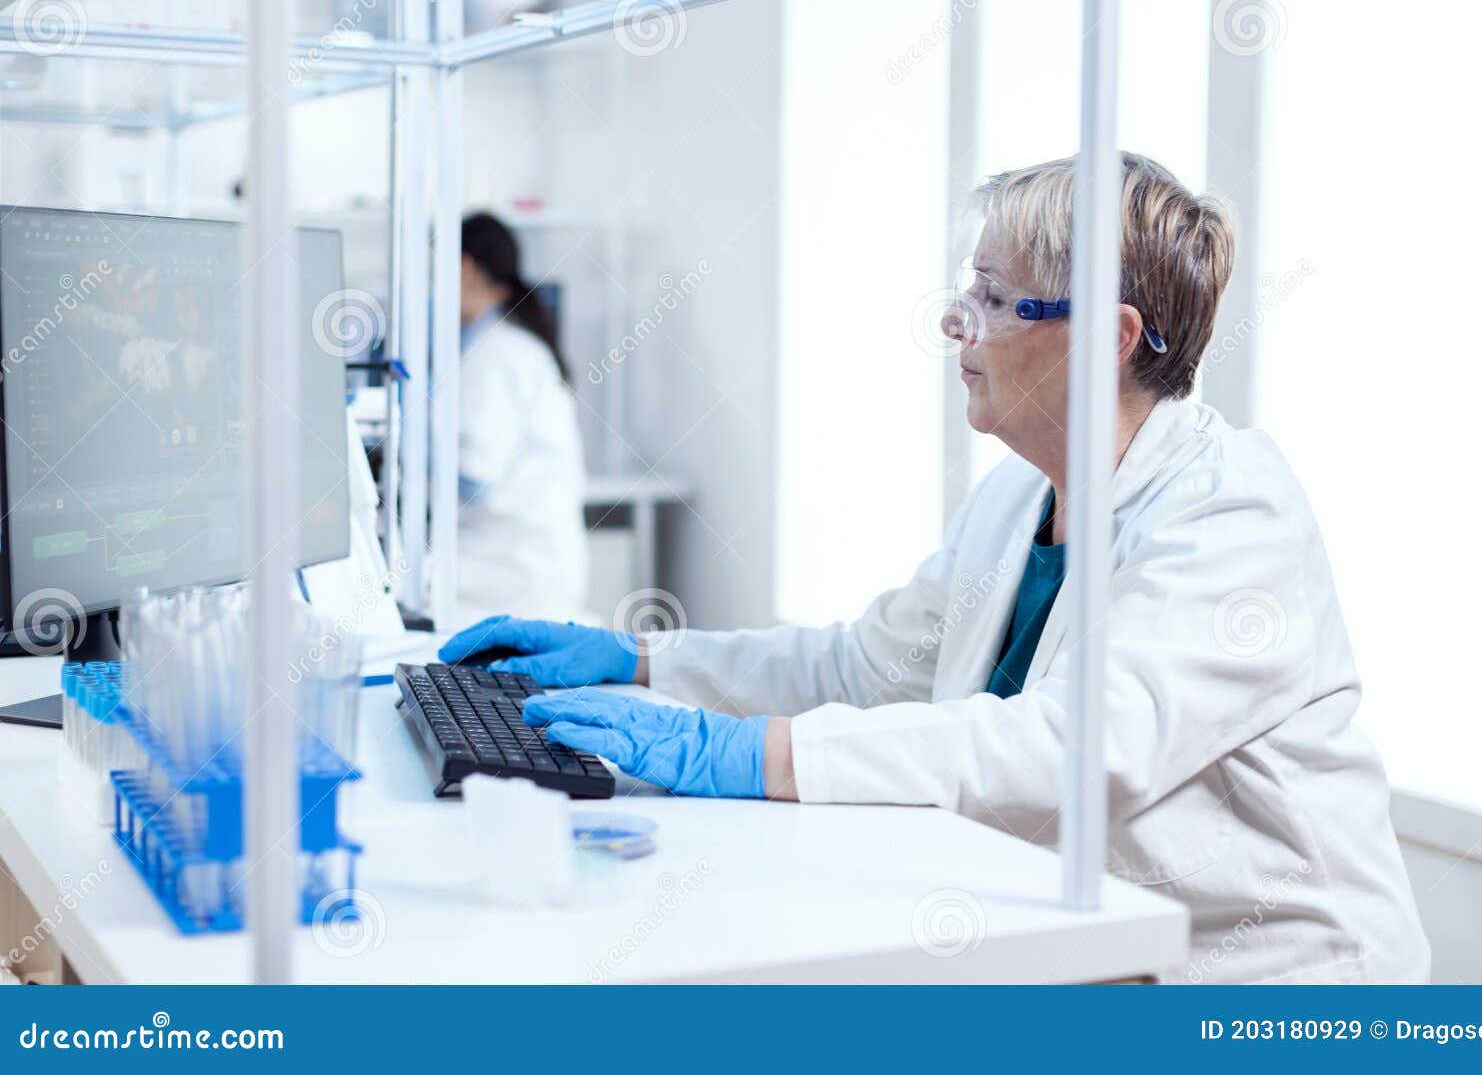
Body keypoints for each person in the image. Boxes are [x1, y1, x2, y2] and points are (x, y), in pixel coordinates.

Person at [441, 155, 1430, 984]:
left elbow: (1075, 749)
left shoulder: (1235, 514)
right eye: (968, 290)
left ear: (1109, 336)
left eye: (993, 298)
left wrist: (748, 753)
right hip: (1096, 949)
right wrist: (645, 661)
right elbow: (863, 668)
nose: (955, 322)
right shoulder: (1018, 495)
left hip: (1272, 985)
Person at [454, 212, 588, 624]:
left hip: (514, 567)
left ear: (465, 268)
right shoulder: (511, 343)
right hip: (529, 558)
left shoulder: (497, 353)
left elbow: (475, 473)